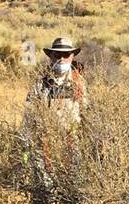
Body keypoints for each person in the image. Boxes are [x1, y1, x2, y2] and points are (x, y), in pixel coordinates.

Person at [21, 35, 86, 194]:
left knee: (73, 185)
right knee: (45, 187)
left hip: (72, 142)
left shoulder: (79, 82)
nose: (62, 59)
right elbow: (28, 117)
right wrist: (25, 147)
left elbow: (86, 112)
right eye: (57, 55)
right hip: (45, 144)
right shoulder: (40, 84)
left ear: (72, 56)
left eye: (66, 55)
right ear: (51, 56)